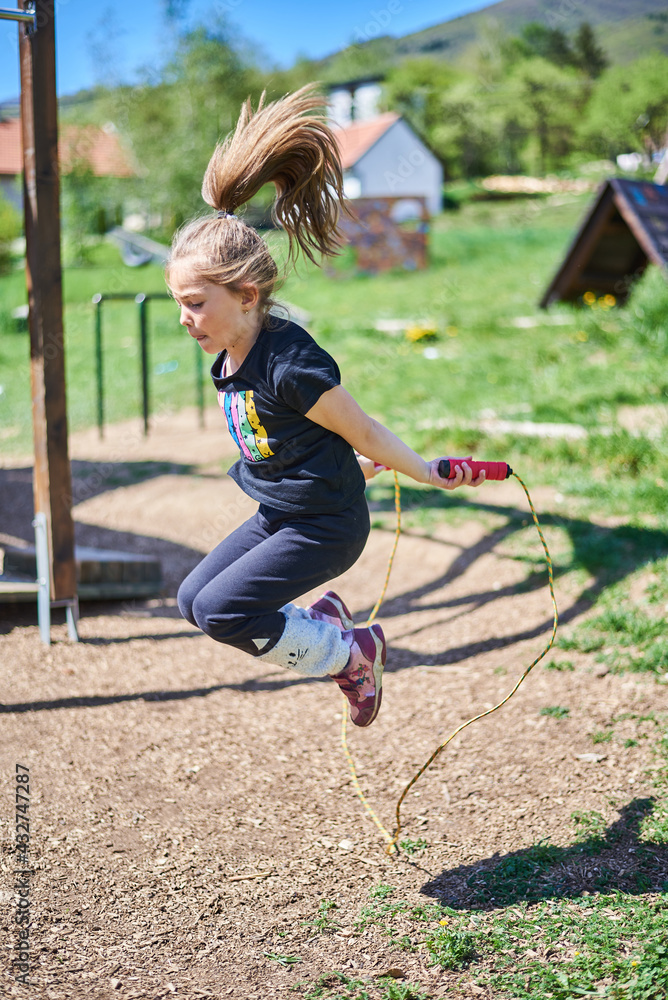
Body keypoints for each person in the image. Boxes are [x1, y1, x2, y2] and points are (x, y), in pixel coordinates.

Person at [169, 85, 485, 729]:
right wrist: (348, 468)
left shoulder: (290, 364)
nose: (184, 318)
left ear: (247, 294)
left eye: (196, 302)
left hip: (324, 528)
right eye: (179, 302)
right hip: (282, 512)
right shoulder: (229, 354)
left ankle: (352, 654)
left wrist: (422, 470)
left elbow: (361, 427)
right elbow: (297, 443)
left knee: (227, 612)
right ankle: (330, 625)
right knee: (193, 601)